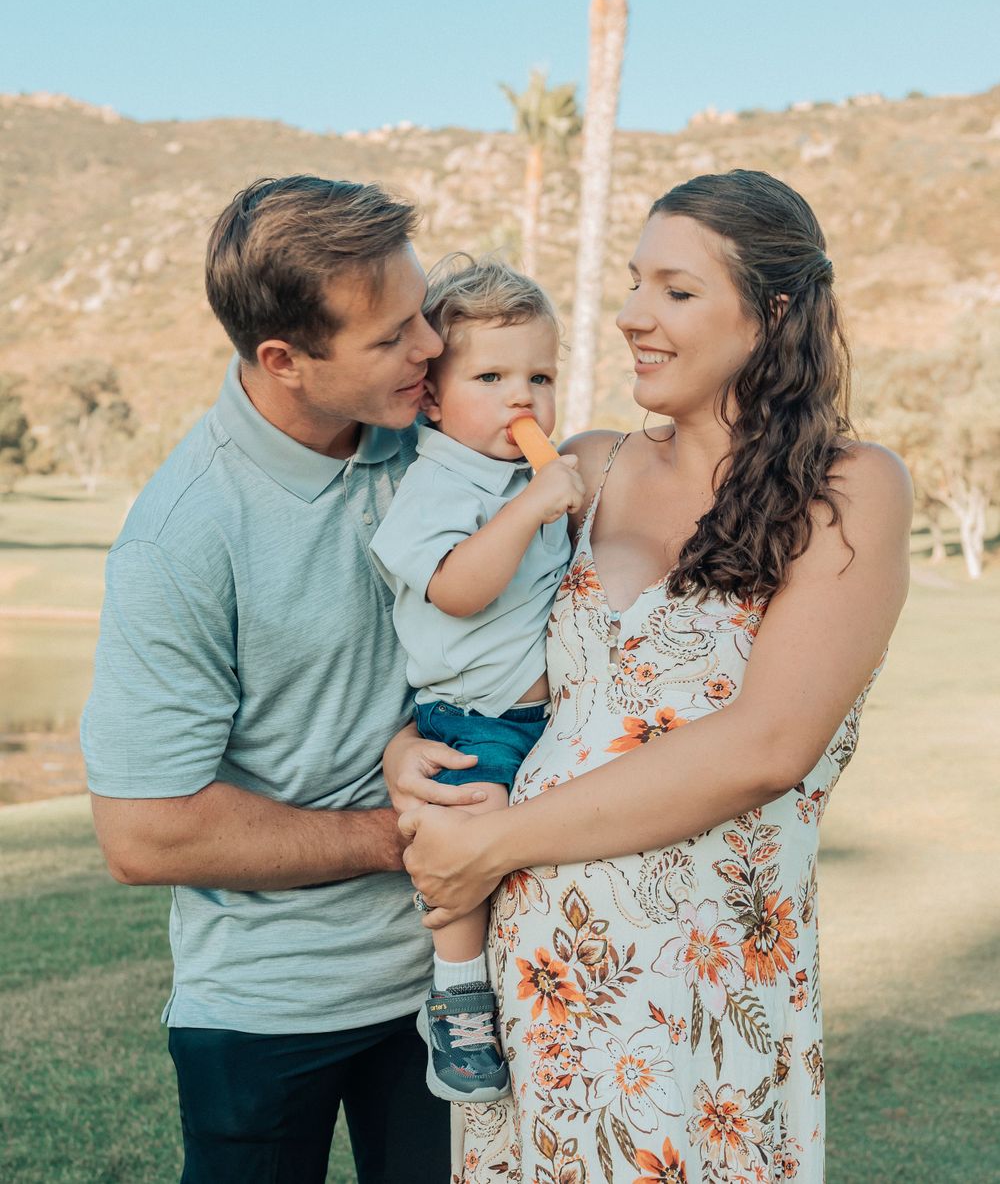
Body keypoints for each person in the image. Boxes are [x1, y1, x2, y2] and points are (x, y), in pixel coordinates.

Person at [391, 171, 913, 1183]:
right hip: (532, 989)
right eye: (634, 284)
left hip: (704, 998)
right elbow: (449, 627)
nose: (631, 315)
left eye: (673, 290)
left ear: (770, 312)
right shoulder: (583, 466)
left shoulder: (850, 489)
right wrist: (402, 747)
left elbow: (767, 748)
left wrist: (489, 841)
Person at [80, 175, 477, 1184]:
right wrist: (404, 836)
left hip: (452, 982)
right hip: (261, 1012)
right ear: (284, 361)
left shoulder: (437, 440)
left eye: (422, 313)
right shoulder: (181, 533)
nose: (430, 346)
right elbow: (144, 829)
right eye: (392, 338)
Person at [369, 254, 585, 1103]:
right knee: (463, 840)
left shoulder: (532, 472)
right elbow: (458, 589)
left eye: (540, 375)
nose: (521, 399)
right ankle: (456, 999)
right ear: (432, 397)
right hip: (473, 720)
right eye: (490, 376)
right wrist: (532, 506)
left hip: (550, 719)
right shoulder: (438, 485)